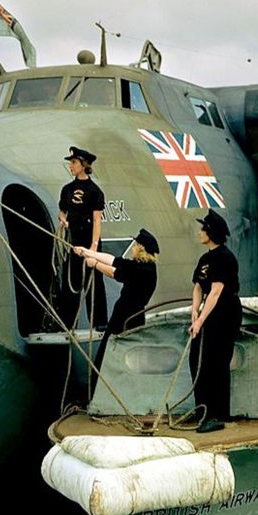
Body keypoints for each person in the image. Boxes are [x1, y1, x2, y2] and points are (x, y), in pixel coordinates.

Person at [75, 228, 160, 378]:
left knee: (110, 350)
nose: (133, 248)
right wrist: (87, 252)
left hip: (125, 315)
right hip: (137, 315)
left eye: (135, 245)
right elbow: (113, 260)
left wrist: (94, 264)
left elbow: (113, 272)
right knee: (133, 352)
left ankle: (101, 383)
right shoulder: (148, 268)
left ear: (140, 249)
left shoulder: (139, 269)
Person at [189, 209, 242, 433]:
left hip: (224, 314)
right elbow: (199, 287)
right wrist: (194, 312)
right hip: (207, 314)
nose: (199, 232)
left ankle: (217, 414)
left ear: (210, 233)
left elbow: (217, 291)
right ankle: (202, 408)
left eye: (203, 228)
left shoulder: (224, 257)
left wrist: (200, 321)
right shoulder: (205, 258)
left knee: (216, 363)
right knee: (196, 359)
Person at [57, 146, 107, 329]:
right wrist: (64, 221)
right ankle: (67, 324)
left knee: (93, 283)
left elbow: (97, 219)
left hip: (89, 239)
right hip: (73, 239)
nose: (70, 165)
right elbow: (62, 212)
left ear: (83, 165)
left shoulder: (95, 191)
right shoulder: (67, 189)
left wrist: (93, 247)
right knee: (71, 281)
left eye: (74, 162)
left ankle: (99, 323)